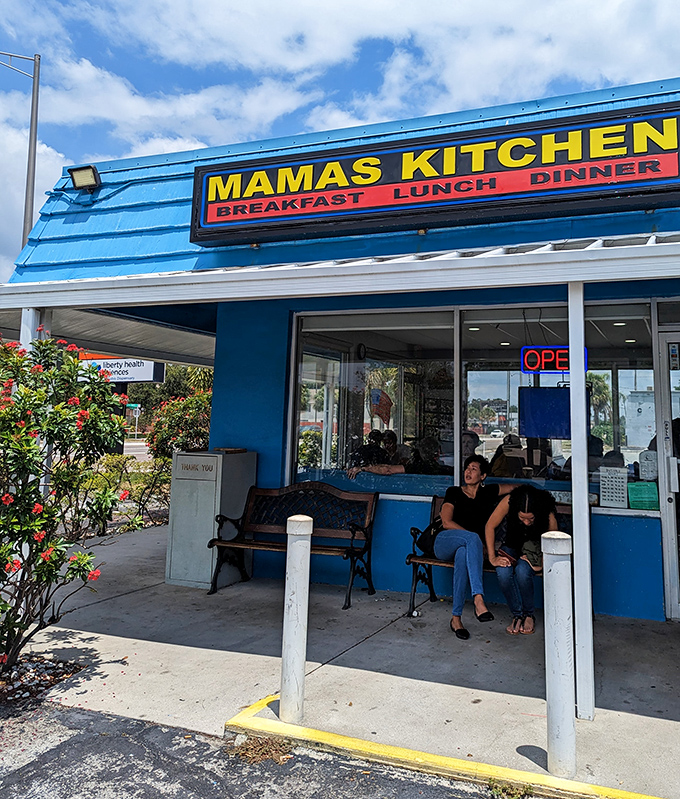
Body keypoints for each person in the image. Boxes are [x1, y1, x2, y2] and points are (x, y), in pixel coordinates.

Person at [434, 455, 515, 640]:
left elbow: (514, 488)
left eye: (473, 469)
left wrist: (535, 489)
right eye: (467, 468)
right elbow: (446, 522)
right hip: (444, 542)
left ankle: (456, 619)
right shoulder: (454, 492)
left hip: (466, 549)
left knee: (463, 554)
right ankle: (478, 598)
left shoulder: (489, 492)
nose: (468, 472)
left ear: (483, 476)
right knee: (471, 539)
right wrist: (476, 541)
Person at [484, 484, 558, 636]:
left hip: (534, 551)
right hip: (512, 546)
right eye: (522, 518)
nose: (526, 522)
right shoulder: (509, 501)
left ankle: (528, 615)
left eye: (531, 519)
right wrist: (493, 558)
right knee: (503, 573)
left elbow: (554, 540)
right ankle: (517, 615)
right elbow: (490, 526)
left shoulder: (545, 507)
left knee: (523, 572)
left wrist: (541, 564)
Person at [347, 436, 454, 478]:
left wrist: (363, 468)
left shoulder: (416, 468)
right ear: (438, 453)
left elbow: (387, 470)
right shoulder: (448, 471)